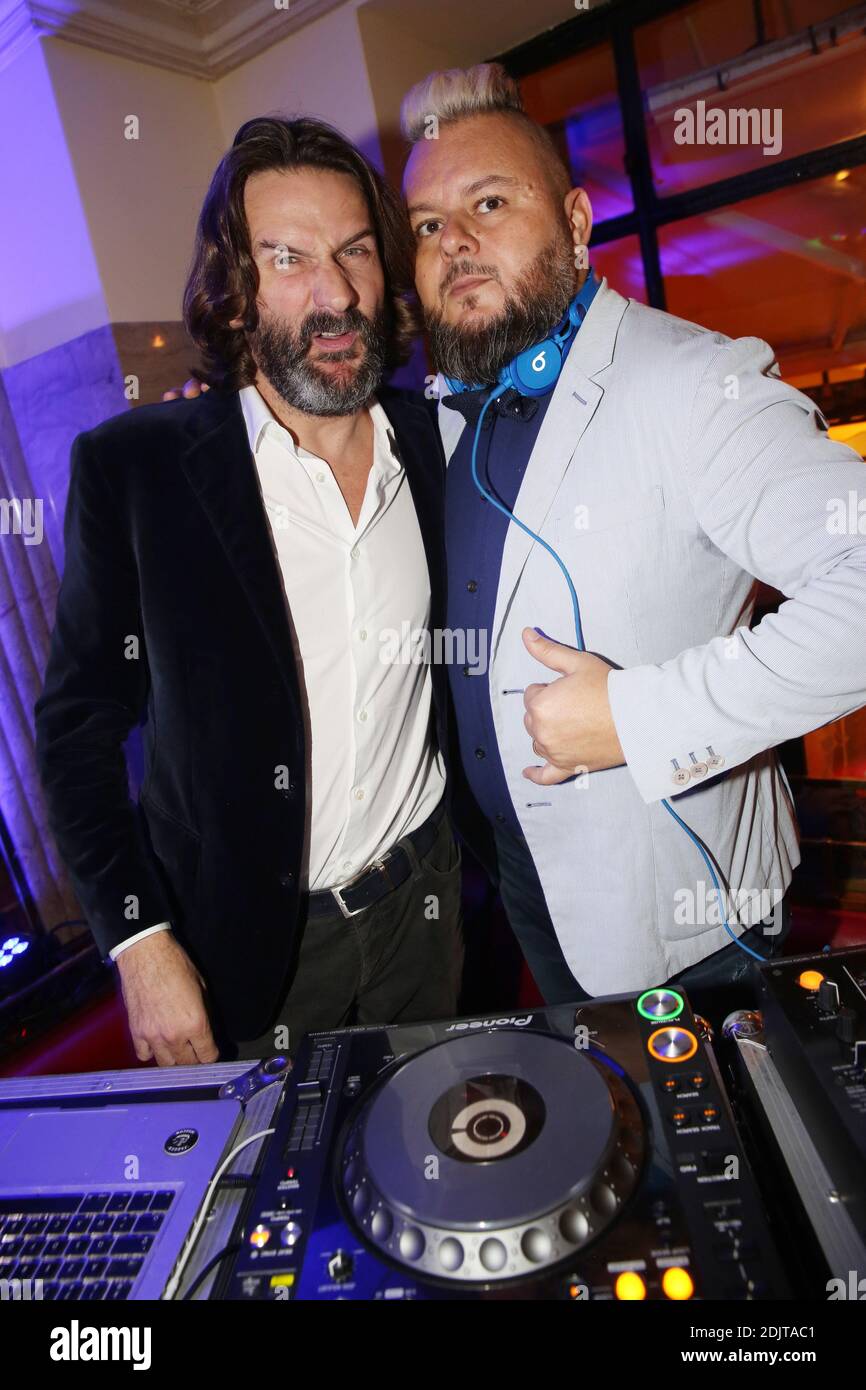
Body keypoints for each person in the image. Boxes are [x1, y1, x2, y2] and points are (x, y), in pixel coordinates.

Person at [397, 63, 866, 1011]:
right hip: (534, 898)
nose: (457, 244)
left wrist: (638, 720)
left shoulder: (698, 385)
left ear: (575, 223)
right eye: (428, 225)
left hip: (695, 932)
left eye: (490, 201)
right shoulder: (441, 419)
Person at [35, 116, 464, 1067]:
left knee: (432, 1144)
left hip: (422, 905)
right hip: (246, 946)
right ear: (234, 299)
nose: (335, 292)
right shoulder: (136, 473)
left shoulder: (442, 442)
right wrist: (140, 941)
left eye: (354, 250)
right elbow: (76, 734)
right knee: (274, 1197)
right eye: (287, 258)